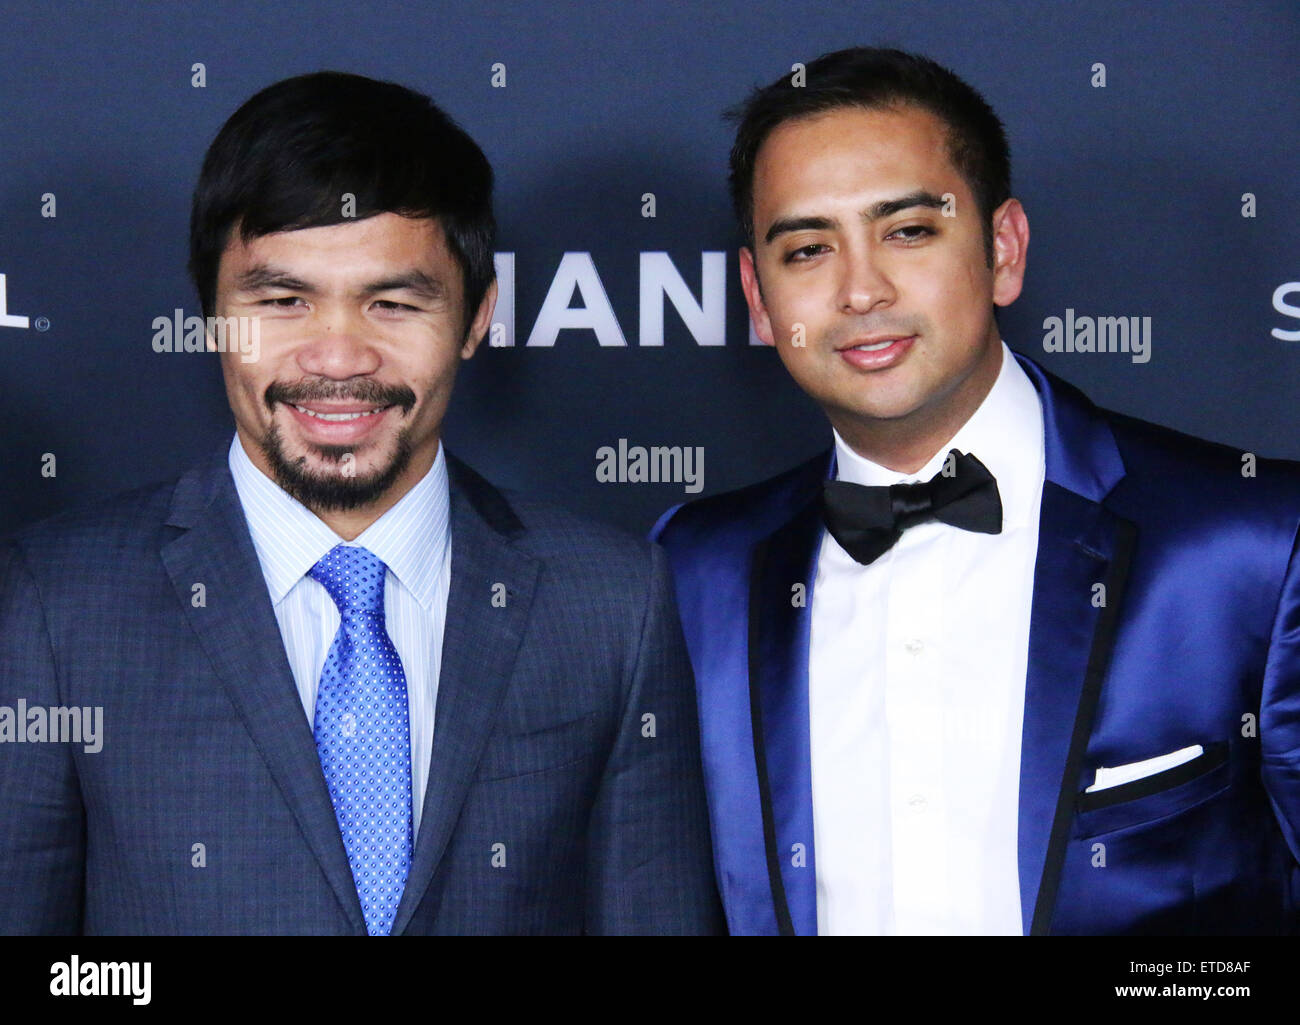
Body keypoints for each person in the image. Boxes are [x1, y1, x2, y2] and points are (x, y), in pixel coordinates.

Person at [0, 71, 722, 935]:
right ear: (209, 316)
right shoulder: (57, 601)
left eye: (392, 301)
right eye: (282, 300)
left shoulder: (612, 602)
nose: (338, 356)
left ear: (475, 317)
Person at [652, 47, 1300, 935]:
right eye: (808, 249)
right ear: (759, 302)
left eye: (909, 231)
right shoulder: (692, 573)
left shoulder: (1254, 544)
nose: (861, 290)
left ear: (1002, 250)